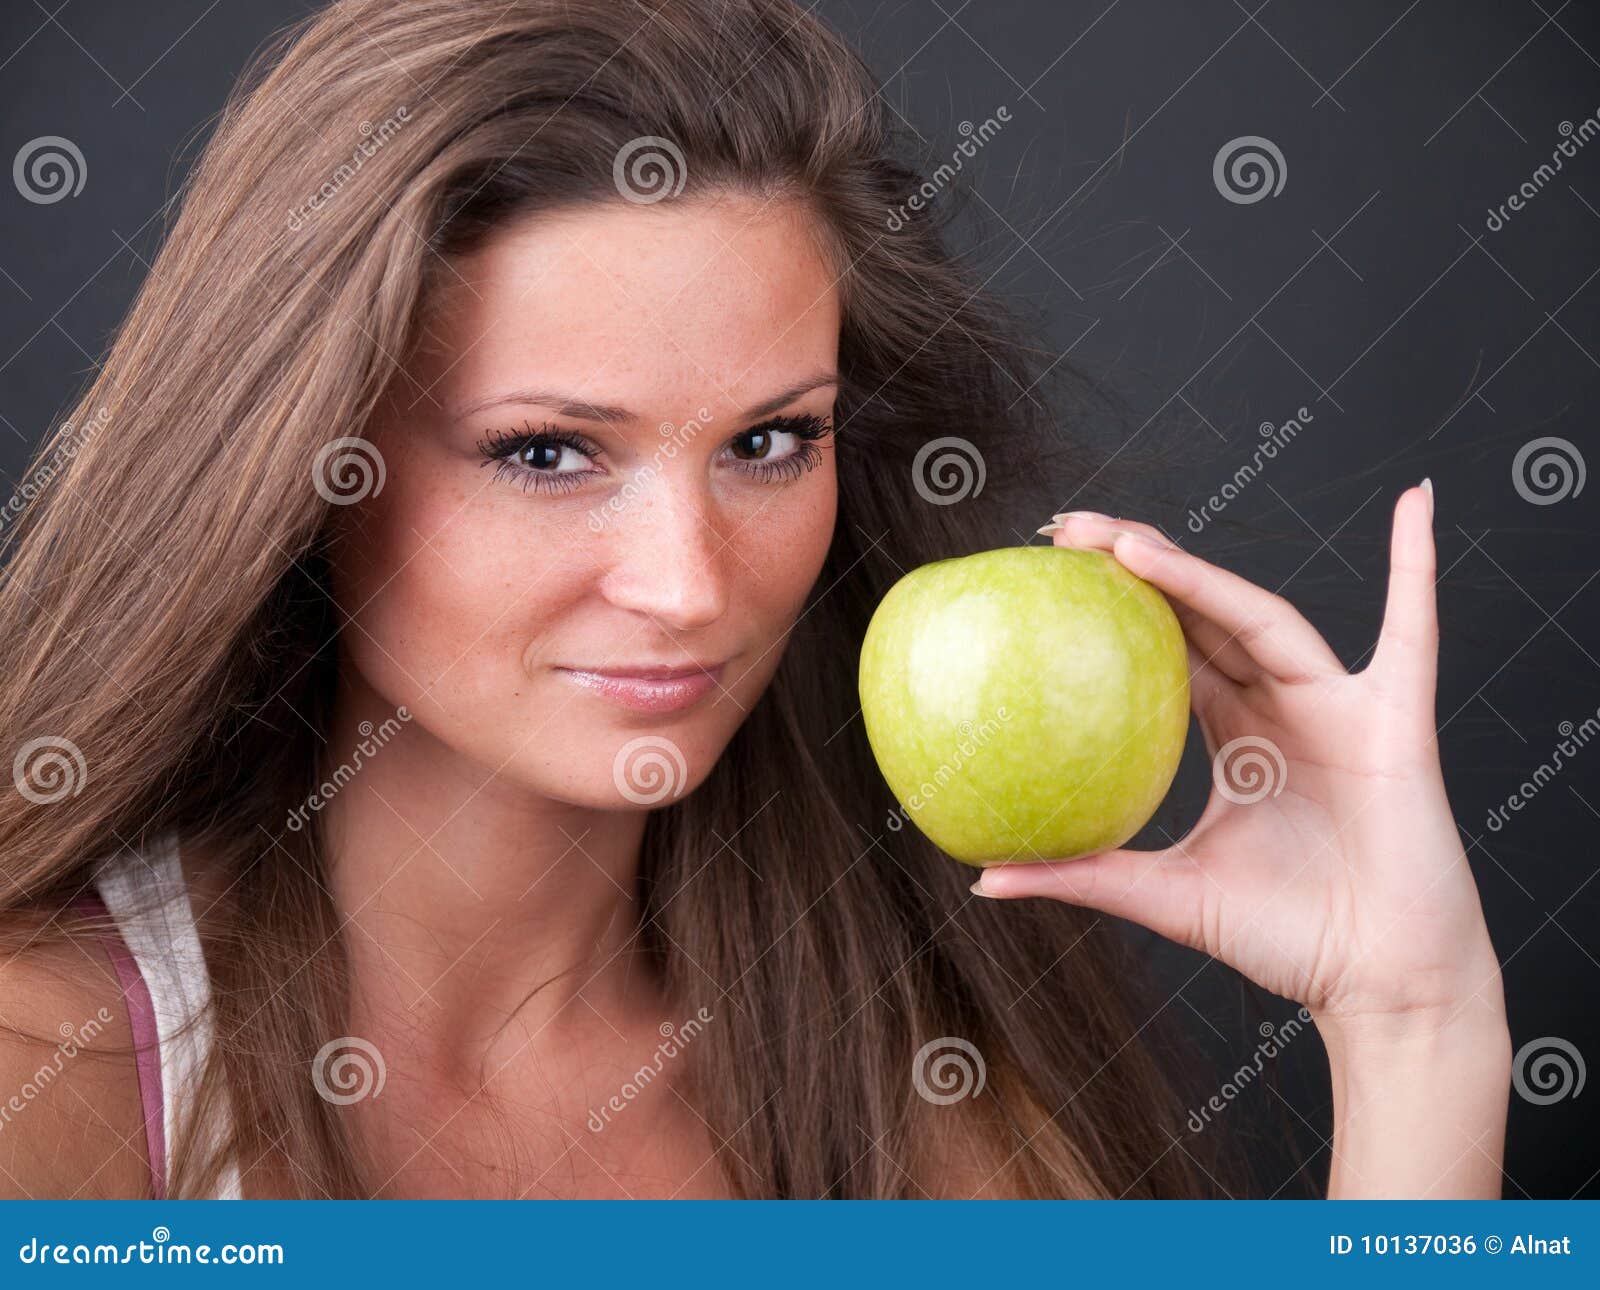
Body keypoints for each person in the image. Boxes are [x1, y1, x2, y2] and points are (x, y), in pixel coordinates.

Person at [0, 0, 1508, 1199]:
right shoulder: (49, 1087)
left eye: (769, 442)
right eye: (546, 451)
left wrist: (1414, 1021)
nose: (690, 584)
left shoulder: (904, 1068)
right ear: (303, 464)